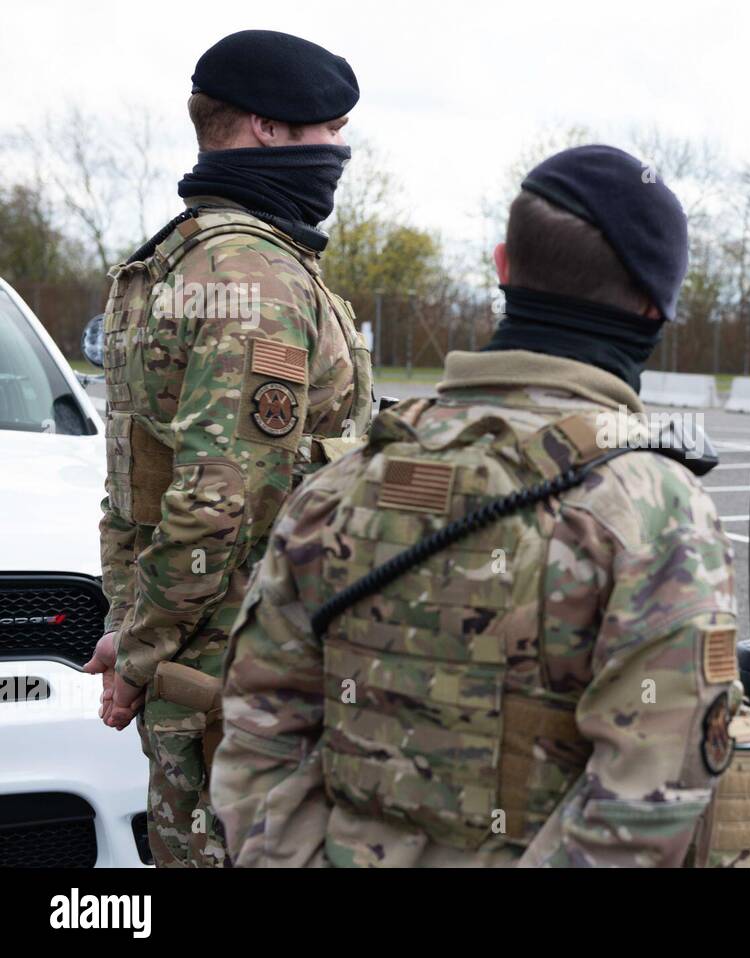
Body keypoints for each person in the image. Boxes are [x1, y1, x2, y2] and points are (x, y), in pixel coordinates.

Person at [211, 144, 750, 867]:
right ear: (657, 306)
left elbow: (257, 726)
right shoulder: (653, 506)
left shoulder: (341, 481)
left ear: (501, 266)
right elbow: (649, 795)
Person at [84, 29, 373, 867]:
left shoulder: (168, 263)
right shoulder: (258, 279)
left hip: (194, 668)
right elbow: (216, 502)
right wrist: (138, 652)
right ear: (267, 129)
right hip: (244, 677)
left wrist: (129, 628)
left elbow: (132, 484)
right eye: (329, 131)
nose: (340, 152)